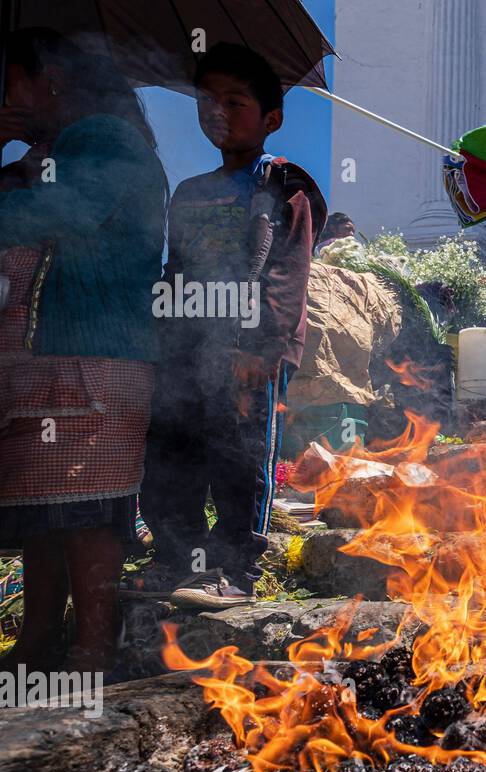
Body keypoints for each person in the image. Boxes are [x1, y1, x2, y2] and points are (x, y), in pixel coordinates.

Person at [0, 29, 167, 672]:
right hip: (59, 358)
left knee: (86, 510)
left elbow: (62, 215)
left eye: (13, 78)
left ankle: (93, 648)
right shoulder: (58, 148)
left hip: (93, 354)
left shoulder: (104, 138)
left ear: (51, 80)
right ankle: (38, 642)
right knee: (45, 506)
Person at [140, 43, 326, 610]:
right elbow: (176, 270)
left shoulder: (283, 184)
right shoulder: (190, 191)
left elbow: (288, 267)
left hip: (249, 352)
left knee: (238, 455)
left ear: (271, 119)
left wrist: (261, 344)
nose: (216, 111)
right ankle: (175, 556)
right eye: (206, 101)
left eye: (234, 101)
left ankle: (236, 568)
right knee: (173, 450)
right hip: (187, 345)